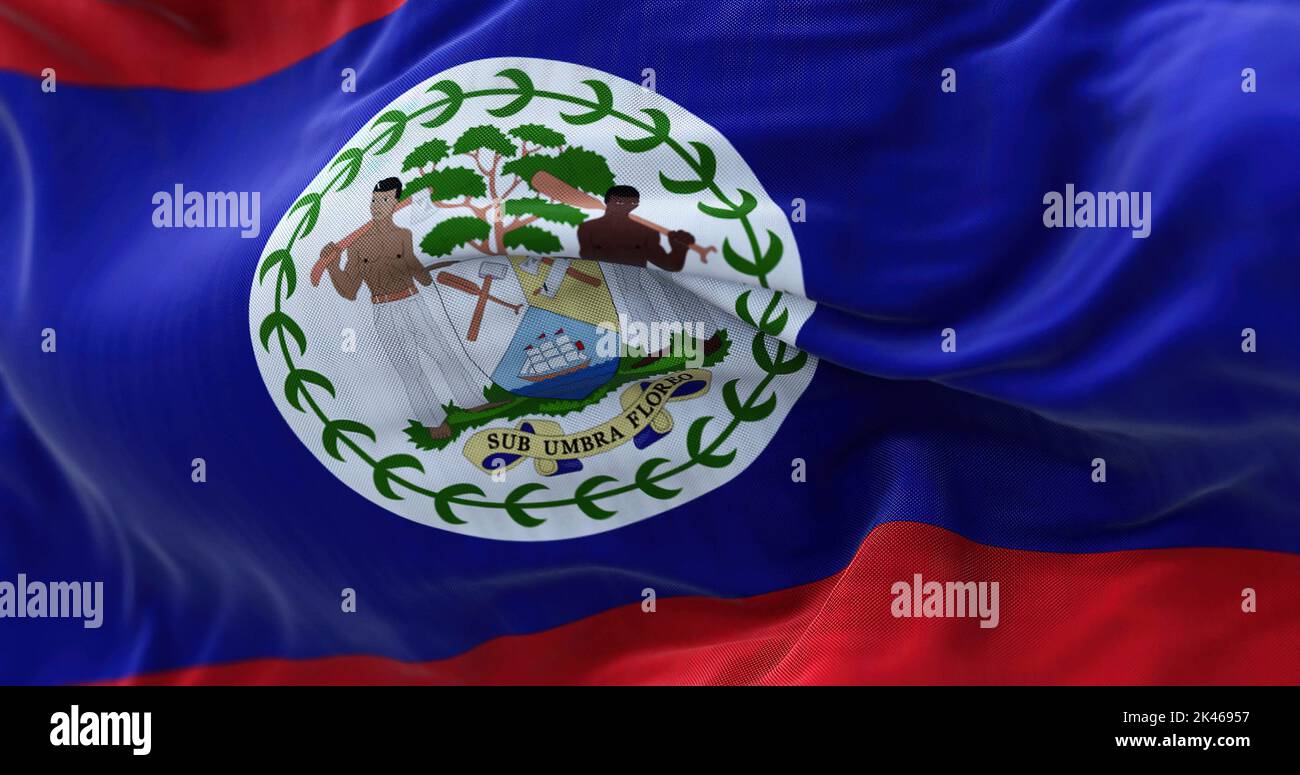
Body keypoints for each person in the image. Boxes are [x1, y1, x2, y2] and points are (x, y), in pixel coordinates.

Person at [320, 178, 502, 441]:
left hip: (414, 301)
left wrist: (434, 270)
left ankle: (472, 401)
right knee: (408, 368)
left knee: (444, 352)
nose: (376, 205)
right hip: (384, 309)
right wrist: (332, 266)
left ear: (395, 203)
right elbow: (349, 291)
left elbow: (416, 268)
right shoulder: (358, 246)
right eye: (374, 200)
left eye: (383, 200)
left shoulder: (403, 236)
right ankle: (433, 421)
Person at [576, 185, 721, 365]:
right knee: (629, 300)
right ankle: (657, 347)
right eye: (619, 202)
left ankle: (709, 337)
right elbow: (585, 253)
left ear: (636, 205)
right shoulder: (588, 229)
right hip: (614, 273)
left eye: (631, 203)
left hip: (646, 269)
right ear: (608, 203)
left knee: (673, 289)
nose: (625, 207)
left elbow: (667, 263)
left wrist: (679, 248)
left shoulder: (645, 231)